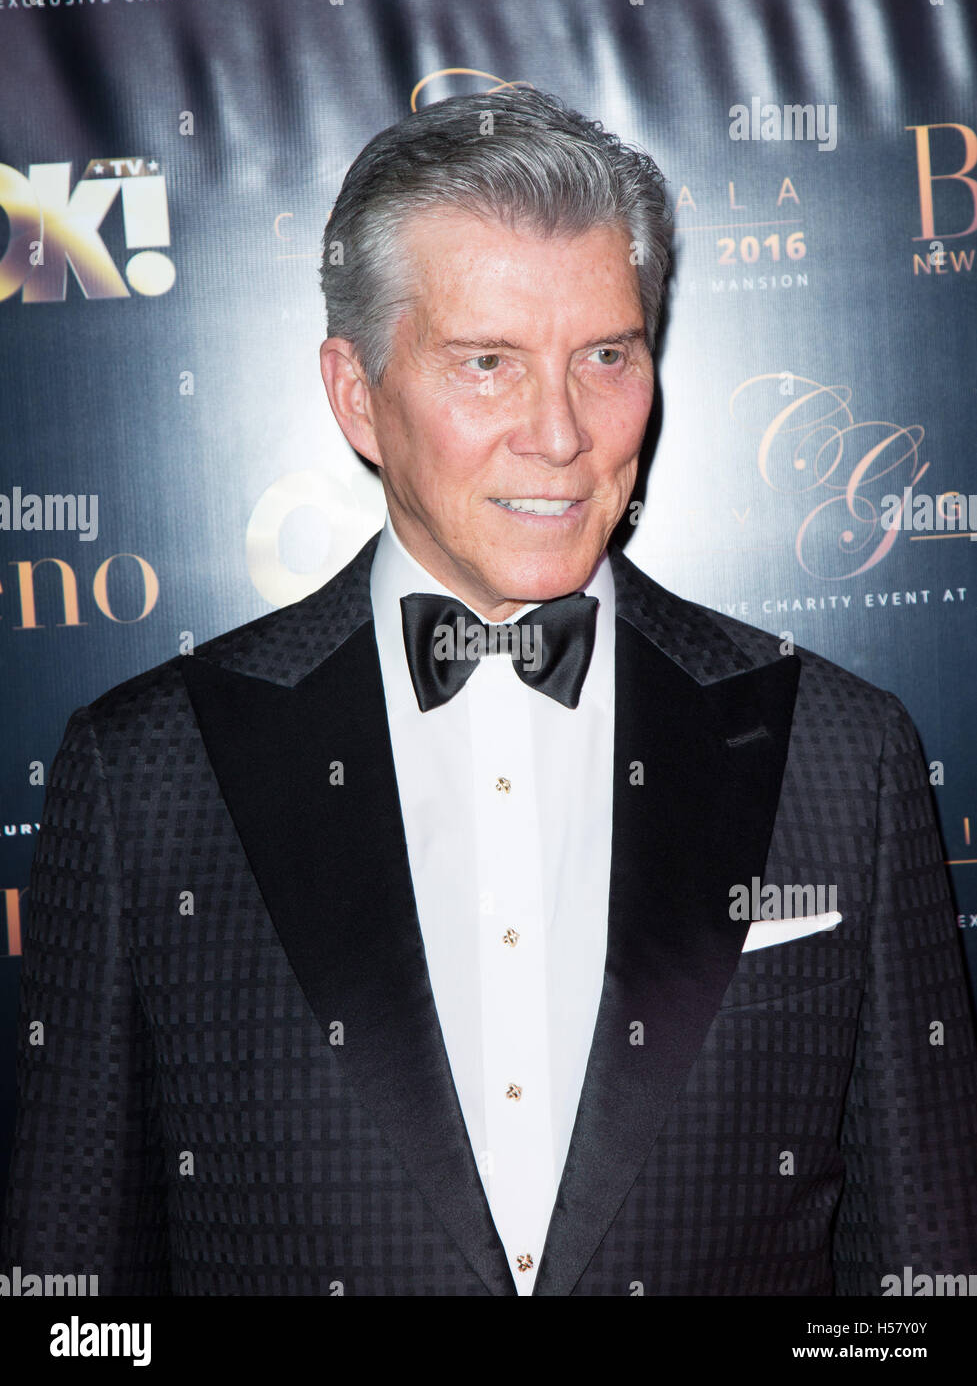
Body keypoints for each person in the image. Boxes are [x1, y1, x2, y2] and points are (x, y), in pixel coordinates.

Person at [2, 87, 975, 1297]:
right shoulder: (143, 771)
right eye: (485, 364)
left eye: (606, 356)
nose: (560, 432)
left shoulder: (843, 750)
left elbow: (925, 1282)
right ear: (356, 393)